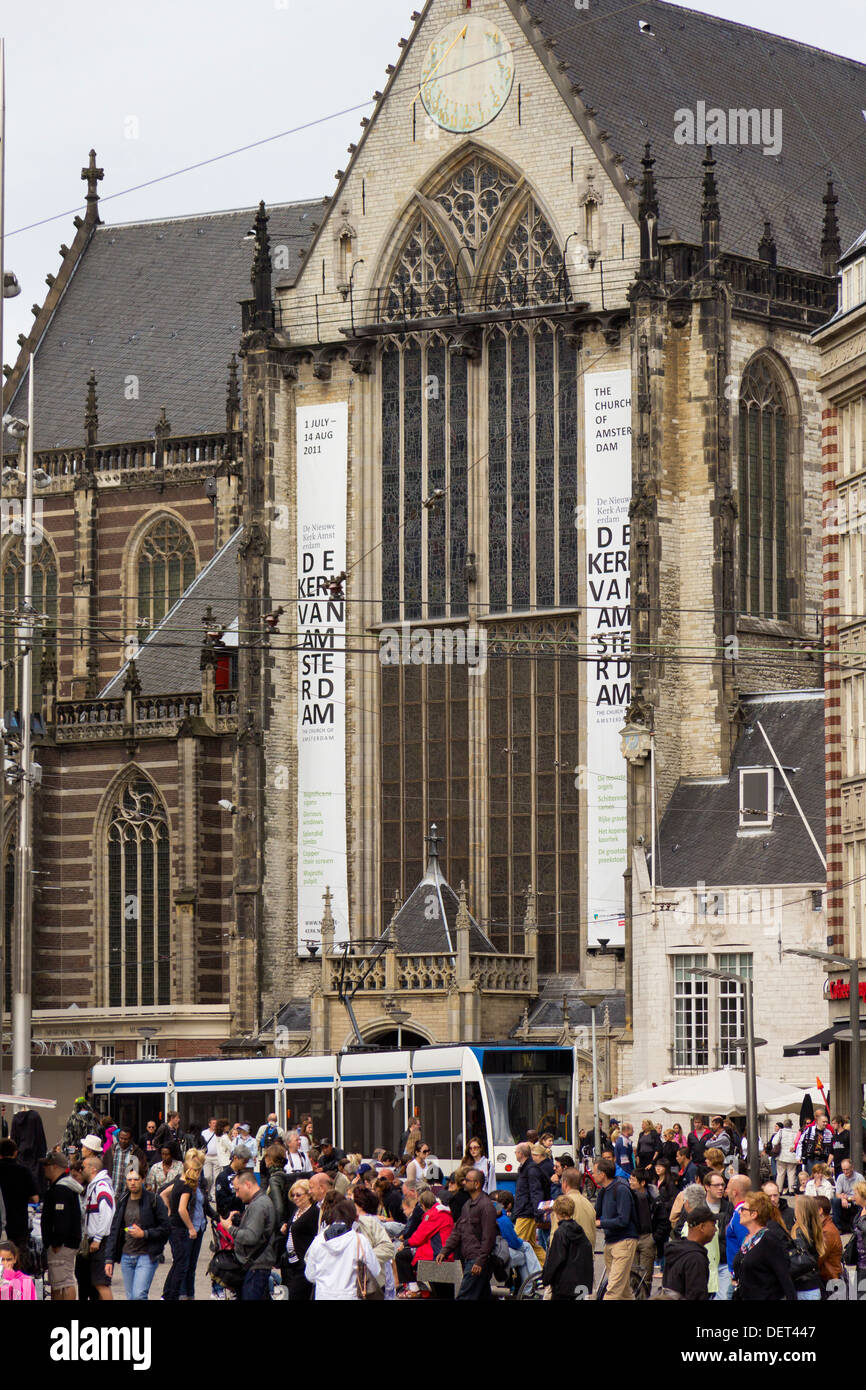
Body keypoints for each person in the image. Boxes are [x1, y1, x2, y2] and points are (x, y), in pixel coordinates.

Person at [104, 1164, 169, 1300]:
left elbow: (165, 1228)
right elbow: (114, 1230)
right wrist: (109, 1259)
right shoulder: (122, 1200)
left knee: (139, 1295)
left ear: (143, 1180)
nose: (132, 1183)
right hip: (126, 1256)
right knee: (131, 1297)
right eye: (129, 1180)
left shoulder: (153, 1200)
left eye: (136, 1179)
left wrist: (144, 1234)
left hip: (146, 1255)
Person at [436, 1167, 497, 1300]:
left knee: (464, 1296)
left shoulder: (486, 1206)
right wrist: (445, 1251)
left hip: (477, 1260)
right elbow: (458, 1230)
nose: (463, 1183)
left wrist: (480, 1261)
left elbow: (489, 1237)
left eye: (467, 1180)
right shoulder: (467, 1205)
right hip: (469, 1258)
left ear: (477, 1184)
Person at [304, 1193, 379, 1300]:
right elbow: (374, 1270)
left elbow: (310, 1274)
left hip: (323, 1295)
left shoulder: (318, 1241)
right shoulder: (359, 1240)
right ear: (355, 1218)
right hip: (351, 1295)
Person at [161, 1151, 214, 1301]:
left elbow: (164, 1194)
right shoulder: (185, 1186)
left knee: (183, 1264)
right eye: (198, 1170)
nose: (199, 1174)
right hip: (181, 1229)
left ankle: (173, 1294)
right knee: (181, 1264)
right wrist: (190, 1227)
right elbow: (181, 1209)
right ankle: (172, 1295)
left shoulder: (182, 1183)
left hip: (189, 1226)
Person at [732, 1192, 797, 1301]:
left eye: (743, 1209)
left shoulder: (769, 1240)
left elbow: (784, 1276)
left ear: (754, 1214)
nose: (739, 1212)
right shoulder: (747, 1239)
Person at [227, 1168, 277, 1300]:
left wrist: (230, 1228)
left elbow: (251, 1237)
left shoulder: (259, 1205)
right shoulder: (259, 1202)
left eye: (237, 1189)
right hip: (257, 1264)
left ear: (248, 1184)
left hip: (256, 1266)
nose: (237, 1195)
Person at [40, 1150, 83, 1301]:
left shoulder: (61, 1190)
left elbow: (62, 1218)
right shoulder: (61, 1186)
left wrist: (57, 1242)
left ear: (54, 1166)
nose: (44, 1168)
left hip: (62, 1245)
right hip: (64, 1243)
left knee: (64, 1282)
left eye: (46, 1165)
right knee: (57, 1282)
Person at [593, 1156, 638, 1301]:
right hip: (610, 1241)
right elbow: (595, 1214)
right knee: (623, 1290)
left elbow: (623, 1220)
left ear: (602, 1174)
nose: (592, 1176)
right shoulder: (603, 1191)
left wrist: (601, 1223)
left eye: (594, 1173)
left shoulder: (621, 1189)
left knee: (612, 1289)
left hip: (624, 1241)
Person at [77, 1147, 115, 1302]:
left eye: (84, 1167)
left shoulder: (101, 1187)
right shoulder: (93, 1186)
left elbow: (107, 1213)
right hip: (93, 1240)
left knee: (101, 1283)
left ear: (92, 1169)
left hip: (100, 1241)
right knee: (94, 1282)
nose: (81, 1170)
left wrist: (98, 1238)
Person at [540, 1194, 593, 1299]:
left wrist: (546, 1279)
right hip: (581, 1283)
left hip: (564, 1285)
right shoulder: (579, 1230)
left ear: (557, 1213)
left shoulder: (561, 1232)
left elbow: (555, 1259)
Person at [662, 1202, 717, 1300]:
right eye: (713, 1225)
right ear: (702, 1227)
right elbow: (696, 1294)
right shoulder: (695, 1258)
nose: (715, 1230)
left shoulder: (677, 1250)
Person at [352, 1185, 398, 1298]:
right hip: (378, 1275)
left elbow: (388, 1248)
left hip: (374, 1278)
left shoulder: (371, 1222)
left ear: (360, 1205)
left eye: (353, 1201)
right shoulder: (375, 1220)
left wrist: (363, 1258)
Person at [492, 1189, 541, 1289]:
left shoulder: (491, 1215)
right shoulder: (504, 1220)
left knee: (524, 1256)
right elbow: (514, 1243)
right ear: (509, 1205)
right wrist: (521, 1241)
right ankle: (535, 1278)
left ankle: (528, 1287)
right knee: (526, 1250)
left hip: (494, 1252)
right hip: (501, 1255)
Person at [512, 1142, 546, 1265]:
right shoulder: (528, 1168)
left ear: (520, 1154)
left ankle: (517, 1275)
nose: (515, 1154)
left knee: (516, 1243)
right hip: (526, 1211)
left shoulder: (530, 1169)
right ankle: (548, 1266)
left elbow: (535, 1192)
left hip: (526, 1213)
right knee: (531, 1245)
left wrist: (537, 1212)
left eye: (516, 1152)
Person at [702, 1169, 733, 1300]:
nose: (721, 1188)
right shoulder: (698, 1206)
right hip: (703, 1261)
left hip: (723, 1261)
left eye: (722, 1185)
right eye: (717, 1185)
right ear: (707, 1187)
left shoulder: (728, 1207)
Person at [0, 1138, 37, 1248]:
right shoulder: (24, 1171)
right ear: (15, 1153)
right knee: (18, 1260)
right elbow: (35, 1199)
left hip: (1, 1226)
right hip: (19, 1225)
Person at [284, 1178, 316, 1299]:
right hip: (291, 1261)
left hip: (303, 1262)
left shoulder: (313, 1212)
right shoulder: (296, 1210)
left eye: (298, 1195)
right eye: (293, 1195)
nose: (295, 1198)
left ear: (308, 1195)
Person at [789, 1195, 823, 1301]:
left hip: (803, 1285)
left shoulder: (799, 1231)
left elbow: (800, 1261)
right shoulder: (816, 1228)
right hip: (813, 1283)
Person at [558, 1168, 598, 1251]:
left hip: (571, 1257)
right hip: (587, 1255)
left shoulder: (564, 1203)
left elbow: (556, 1236)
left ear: (565, 1183)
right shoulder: (588, 1203)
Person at [629, 1169, 657, 1287]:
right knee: (633, 1276)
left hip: (647, 1238)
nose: (630, 1182)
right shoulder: (629, 1196)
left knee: (646, 1276)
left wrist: (654, 1237)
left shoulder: (654, 1198)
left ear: (642, 1183)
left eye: (633, 1180)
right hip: (632, 1237)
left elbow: (661, 1219)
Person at [10, 1106, 48, 1192]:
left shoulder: (15, 1118)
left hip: (20, 1160)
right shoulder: (35, 1116)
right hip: (35, 1161)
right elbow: (41, 1140)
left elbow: (13, 1140)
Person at [651, 1160, 678, 1267]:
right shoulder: (654, 1181)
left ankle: (663, 1264)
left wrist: (663, 1205)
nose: (658, 1169)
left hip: (665, 1216)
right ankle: (658, 1259)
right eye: (656, 1166)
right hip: (655, 1215)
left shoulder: (669, 1183)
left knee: (664, 1240)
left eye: (660, 1167)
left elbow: (674, 1199)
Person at [108, 1126, 146, 1197]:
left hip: (129, 1194)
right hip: (112, 1192)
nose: (122, 1141)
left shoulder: (137, 1153)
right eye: (121, 1138)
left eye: (126, 1139)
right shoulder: (112, 1150)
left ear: (131, 1139)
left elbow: (142, 1171)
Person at [724, 1174, 752, 1270]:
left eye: (727, 1188)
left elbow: (745, 1246)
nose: (726, 1191)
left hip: (741, 1273)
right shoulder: (746, 1211)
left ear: (734, 1192)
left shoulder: (741, 1215)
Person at [814, 1195, 842, 1288]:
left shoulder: (827, 1231)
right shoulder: (825, 1227)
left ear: (820, 1210)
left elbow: (820, 1257)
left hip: (830, 1279)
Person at [831, 1156, 863, 1233]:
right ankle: (838, 1228)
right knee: (835, 1200)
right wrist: (842, 1198)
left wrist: (848, 1198)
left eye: (847, 1169)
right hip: (845, 1200)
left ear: (852, 1168)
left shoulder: (859, 1177)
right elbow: (838, 1194)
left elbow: (862, 1194)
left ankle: (857, 1226)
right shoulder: (840, 1177)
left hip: (856, 1200)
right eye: (843, 1170)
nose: (845, 1172)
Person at [775, 1117, 799, 1195]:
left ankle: (779, 1190)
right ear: (791, 1125)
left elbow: (774, 1142)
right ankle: (791, 1190)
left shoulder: (781, 1132)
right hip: (792, 1155)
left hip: (782, 1155)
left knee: (780, 1173)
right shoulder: (796, 1132)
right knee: (791, 1173)